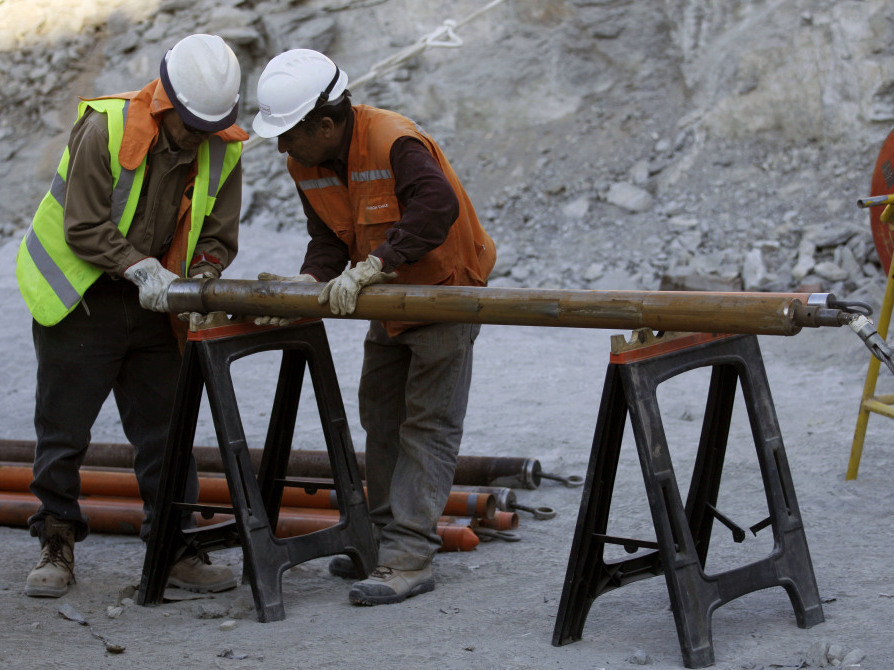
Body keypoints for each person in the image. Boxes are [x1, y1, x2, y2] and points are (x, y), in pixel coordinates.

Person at [251, 49, 497, 606]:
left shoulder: (393, 140)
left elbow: (436, 207)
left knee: (428, 425)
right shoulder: (305, 164)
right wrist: (308, 282)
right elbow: (329, 238)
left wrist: (375, 264)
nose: (283, 147)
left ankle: (409, 556)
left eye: (290, 134)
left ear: (328, 123)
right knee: (380, 416)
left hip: (445, 292)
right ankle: (386, 541)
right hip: (385, 299)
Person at [15, 34, 248, 598]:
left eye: (209, 128)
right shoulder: (106, 128)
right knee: (63, 431)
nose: (201, 139)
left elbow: (218, 235)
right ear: (165, 103)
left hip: (157, 306)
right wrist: (140, 268)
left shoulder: (223, 145)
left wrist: (205, 277)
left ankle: (173, 546)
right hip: (82, 298)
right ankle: (57, 541)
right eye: (192, 126)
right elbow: (84, 227)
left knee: (166, 434)